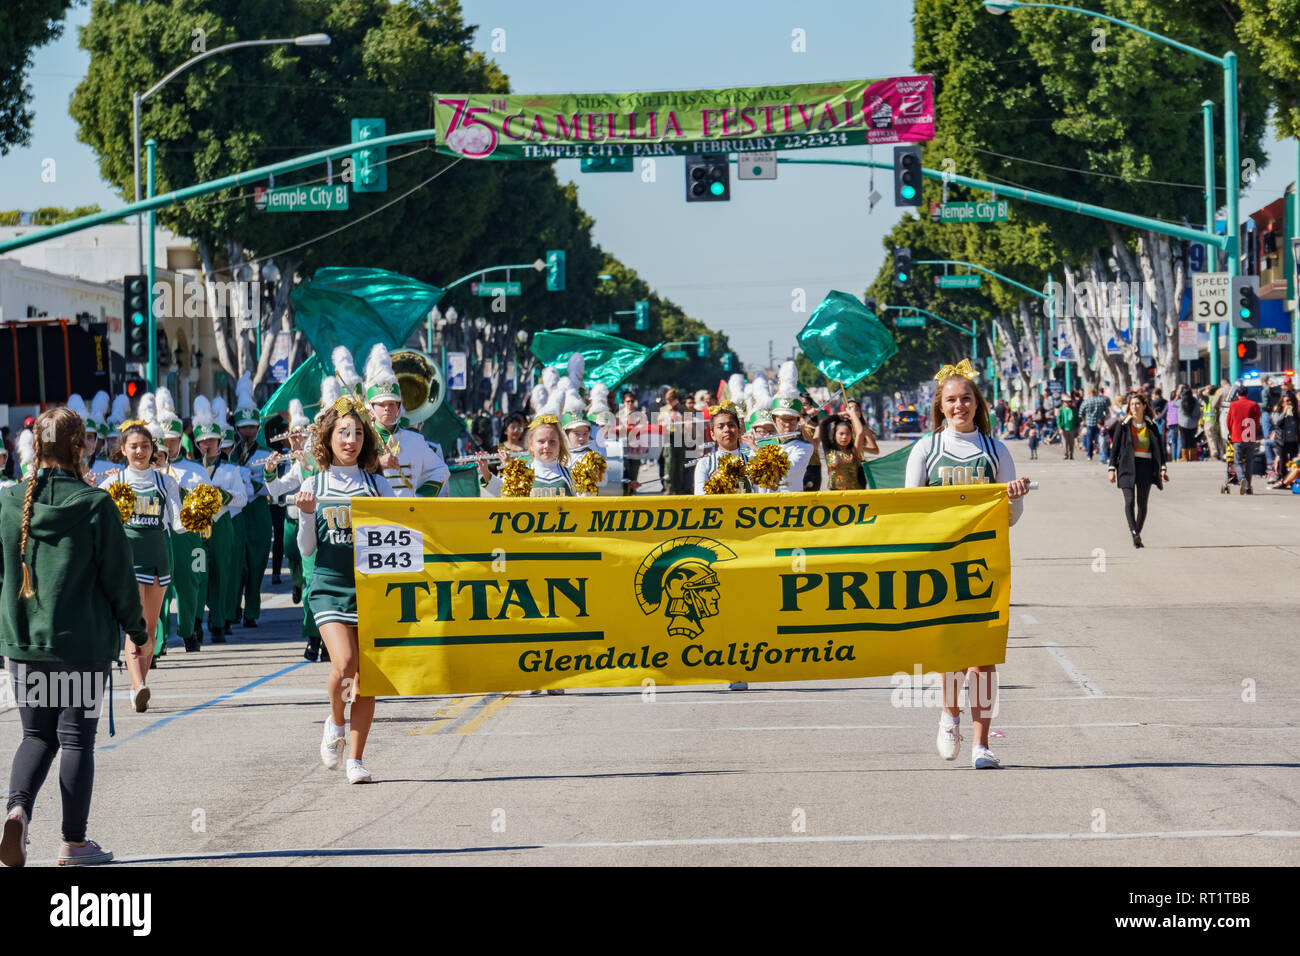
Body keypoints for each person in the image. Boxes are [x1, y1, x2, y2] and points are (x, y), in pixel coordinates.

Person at [1, 407, 149, 867]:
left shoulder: (8, 502)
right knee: (76, 740)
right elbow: (119, 578)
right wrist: (137, 630)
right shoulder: (96, 504)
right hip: (81, 645)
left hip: (23, 642)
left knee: (36, 736)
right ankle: (74, 843)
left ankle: (17, 810)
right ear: (79, 447)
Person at [905, 360, 1029, 770]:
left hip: (986, 565)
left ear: (978, 404)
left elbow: (1011, 517)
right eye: (952, 400)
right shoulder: (926, 448)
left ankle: (981, 743)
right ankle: (948, 716)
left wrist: (1012, 496)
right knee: (953, 653)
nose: (960, 406)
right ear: (940, 406)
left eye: (967, 399)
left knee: (985, 655)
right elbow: (911, 509)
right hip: (942, 567)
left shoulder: (996, 450)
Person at [295, 351, 395, 784]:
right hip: (330, 585)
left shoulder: (378, 484)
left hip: (371, 588)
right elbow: (306, 549)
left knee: (368, 676)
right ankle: (334, 721)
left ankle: (355, 758)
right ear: (328, 438)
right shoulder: (313, 483)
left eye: (356, 433)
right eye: (342, 433)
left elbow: (399, 536)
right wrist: (303, 514)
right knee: (346, 661)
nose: (349, 440)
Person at [98, 404, 185, 711]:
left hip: (159, 558)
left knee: (150, 628)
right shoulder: (111, 484)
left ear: (153, 449)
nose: (140, 451)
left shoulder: (166, 482)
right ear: (122, 449)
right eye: (133, 446)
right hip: (128, 560)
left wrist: (200, 516)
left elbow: (176, 524)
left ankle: (139, 687)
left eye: (145, 446)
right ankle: (139, 684)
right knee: (135, 625)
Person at [363, 344, 452, 498]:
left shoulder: (415, 439)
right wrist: (377, 463)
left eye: (392, 404)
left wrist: (420, 497)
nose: (387, 409)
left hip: (407, 513)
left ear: (399, 408)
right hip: (372, 513)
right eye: (382, 404)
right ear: (371, 409)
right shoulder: (362, 439)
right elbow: (345, 472)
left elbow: (441, 470)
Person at [192, 397, 247, 643]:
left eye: (211, 441)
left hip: (222, 524)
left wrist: (221, 496)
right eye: (202, 442)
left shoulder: (230, 470)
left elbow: (242, 499)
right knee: (197, 573)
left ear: (219, 443)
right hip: (196, 526)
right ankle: (195, 620)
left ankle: (218, 621)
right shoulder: (191, 470)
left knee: (221, 573)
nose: (207, 446)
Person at [230, 374, 274, 629]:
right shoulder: (230, 454)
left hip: (258, 512)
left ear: (258, 428)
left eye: (252, 427)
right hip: (237, 512)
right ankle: (233, 608)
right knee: (237, 564)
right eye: (243, 427)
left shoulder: (268, 454)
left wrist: (255, 484)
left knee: (256, 563)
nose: (248, 432)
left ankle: (252, 612)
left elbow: (272, 485)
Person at [1106, 392, 1168, 548]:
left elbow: (1159, 449)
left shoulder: (1151, 426)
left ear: (1144, 406)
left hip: (1145, 466)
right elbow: (1115, 449)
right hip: (1126, 466)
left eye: (1138, 404)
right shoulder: (1123, 425)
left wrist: (1162, 468)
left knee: (1142, 503)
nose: (1134, 407)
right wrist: (1111, 468)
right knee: (1129, 501)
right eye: (1132, 404)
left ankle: (1136, 534)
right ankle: (1134, 532)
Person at [819, 403, 880, 490]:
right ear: (834, 435)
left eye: (848, 434)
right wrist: (838, 415)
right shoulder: (829, 450)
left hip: (854, 493)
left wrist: (852, 415)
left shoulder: (854, 451)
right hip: (835, 494)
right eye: (841, 434)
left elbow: (860, 432)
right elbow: (823, 424)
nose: (844, 437)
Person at [1226, 385, 1262, 495]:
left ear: (1237, 394)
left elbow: (1229, 422)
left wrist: (1231, 433)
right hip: (1250, 437)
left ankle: (1241, 478)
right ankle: (1247, 486)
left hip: (1237, 436)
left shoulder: (1233, 405)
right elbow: (1257, 422)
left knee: (1237, 461)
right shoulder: (1254, 405)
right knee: (1250, 462)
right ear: (1247, 394)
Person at [658, 389, 689, 495]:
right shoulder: (663, 410)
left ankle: (678, 487)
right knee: (669, 463)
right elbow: (660, 423)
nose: (668, 402)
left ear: (676, 399)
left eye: (670, 400)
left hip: (680, 437)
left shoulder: (682, 409)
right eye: (667, 400)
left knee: (680, 463)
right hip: (669, 438)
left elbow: (687, 424)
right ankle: (669, 487)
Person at [1271, 392, 1299, 476]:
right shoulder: (1278, 411)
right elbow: (1276, 422)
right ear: (1282, 402)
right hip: (1282, 440)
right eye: (1286, 401)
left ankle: (1292, 478)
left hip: (1293, 440)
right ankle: (1282, 477)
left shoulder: (1295, 412)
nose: (1288, 403)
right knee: (1283, 460)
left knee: (1293, 460)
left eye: (1290, 401)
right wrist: (1284, 412)